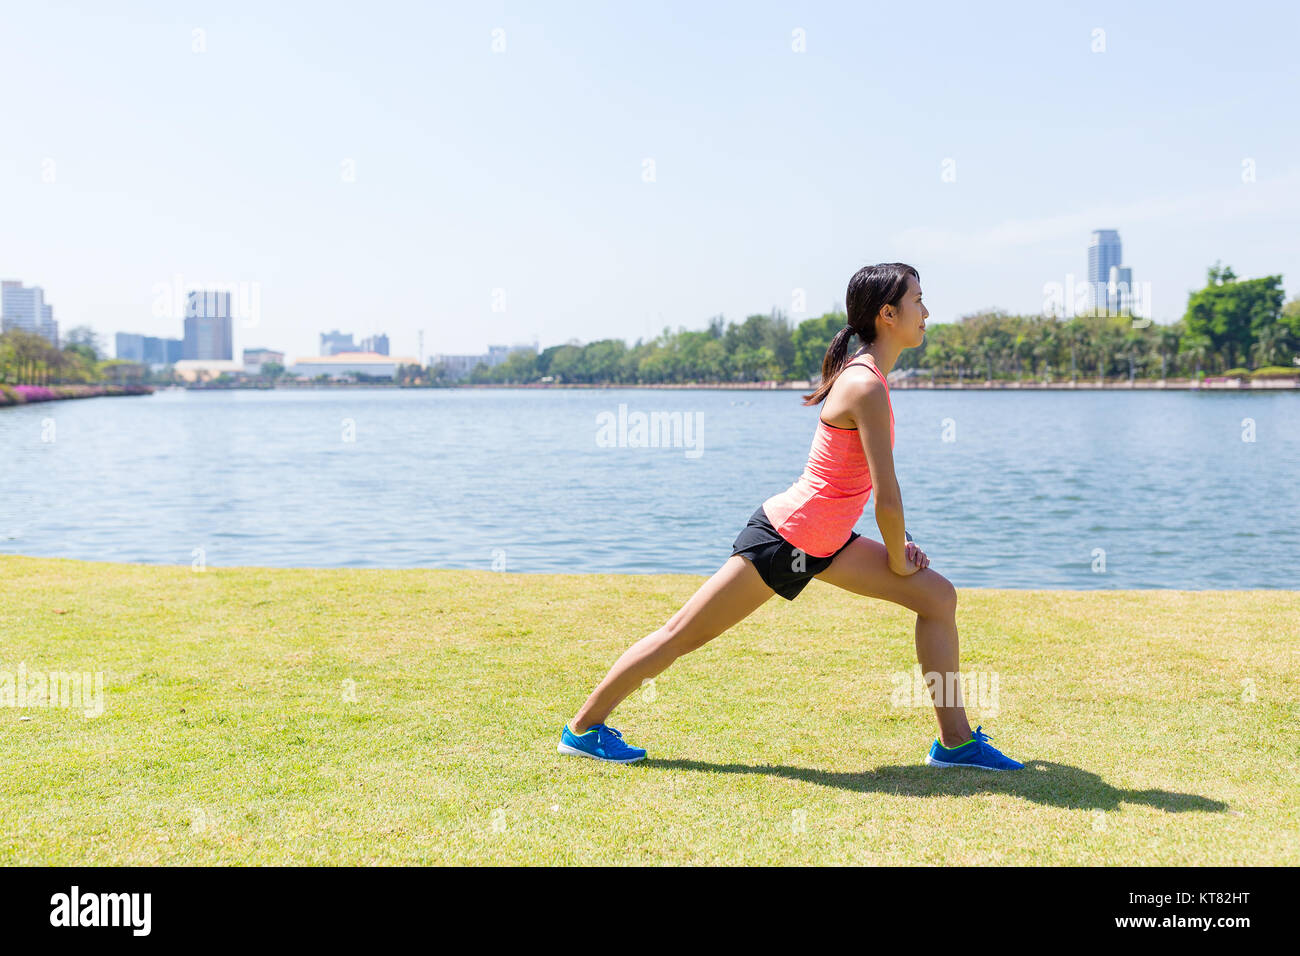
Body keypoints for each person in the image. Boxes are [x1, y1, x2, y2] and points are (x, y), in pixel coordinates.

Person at [558, 263, 1023, 771]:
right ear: (888, 315)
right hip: (786, 539)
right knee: (682, 634)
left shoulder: (870, 380)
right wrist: (898, 557)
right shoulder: (866, 385)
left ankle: (955, 743)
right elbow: (886, 501)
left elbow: (866, 489)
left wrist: (902, 545)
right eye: (918, 300)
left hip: (827, 542)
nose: (926, 312)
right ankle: (583, 729)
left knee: (938, 597)